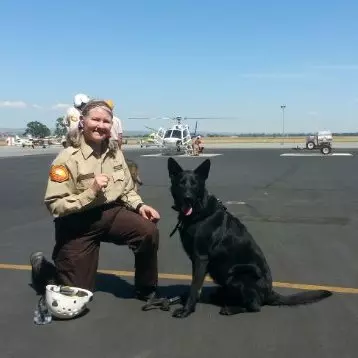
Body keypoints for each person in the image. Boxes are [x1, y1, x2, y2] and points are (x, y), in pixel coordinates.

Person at [30, 99, 163, 302]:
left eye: (106, 121)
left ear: (112, 124)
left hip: (111, 213)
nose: (101, 126)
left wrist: (140, 205)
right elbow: (55, 204)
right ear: (82, 121)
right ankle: (43, 270)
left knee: (148, 231)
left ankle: (146, 288)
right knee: (76, 294)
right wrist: (90, 191)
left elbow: (127, 189)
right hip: (77, 223)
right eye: (95, 120)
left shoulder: (114, 152)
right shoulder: (67, 158)